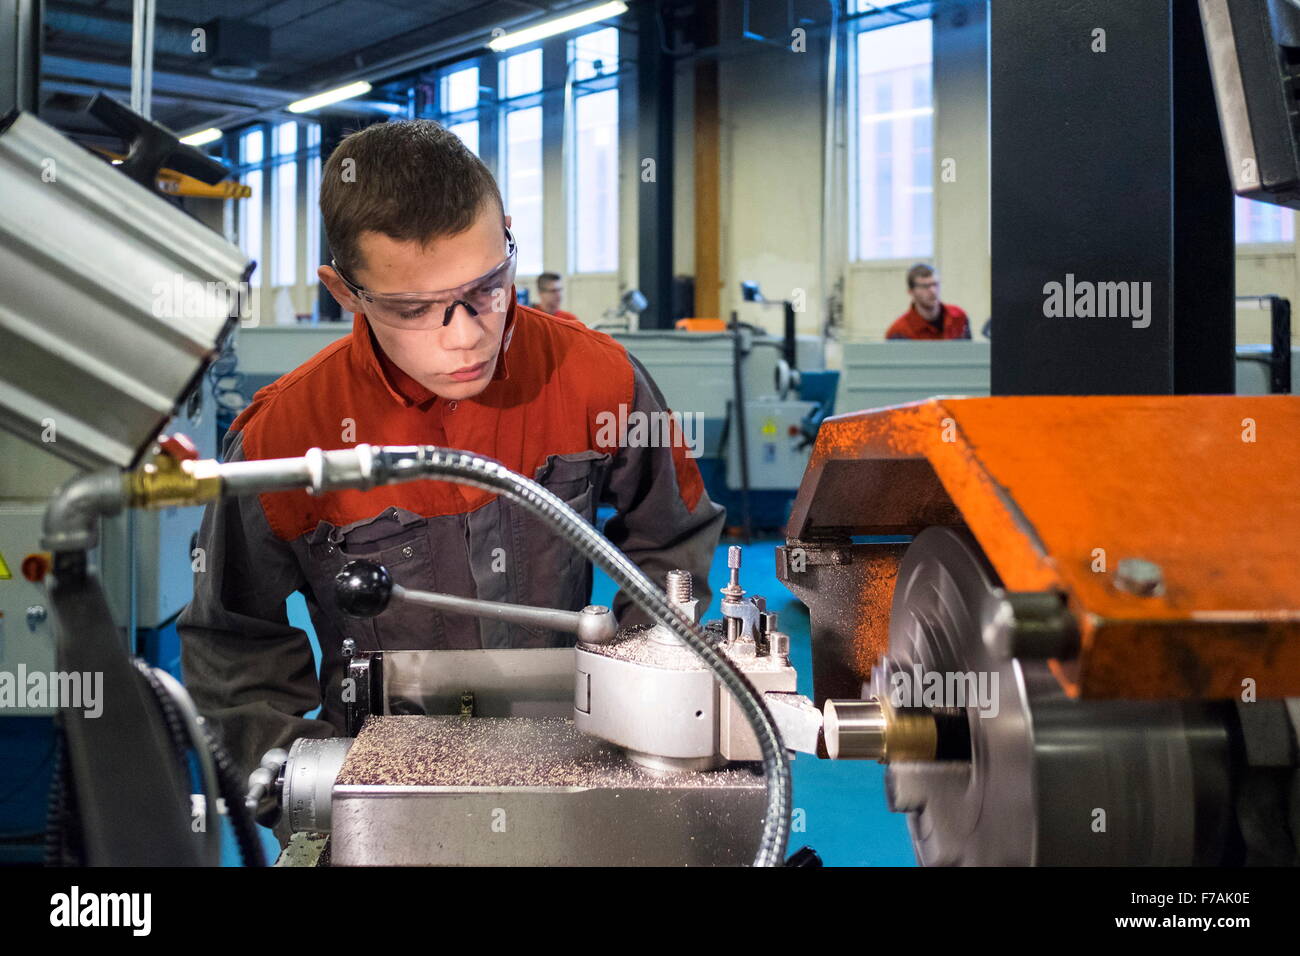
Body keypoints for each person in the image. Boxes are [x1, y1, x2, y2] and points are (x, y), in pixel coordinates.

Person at [178, 119, 725, 786]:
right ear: (345, 291)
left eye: (486, 288)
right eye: (414, 310)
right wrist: (317, 788)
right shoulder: (286, 437)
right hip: (381, 791)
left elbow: (673, 540)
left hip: (571, 766)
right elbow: (234, 641)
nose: (465, 337)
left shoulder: (595, 378)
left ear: (508, 238)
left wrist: (645, 715)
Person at [885, 263, 971, 340]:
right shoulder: (899, 332)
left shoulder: (958, 317)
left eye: (935, 284)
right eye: (925, 286)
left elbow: (969, 355)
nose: (933, 291)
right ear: (911, 292)